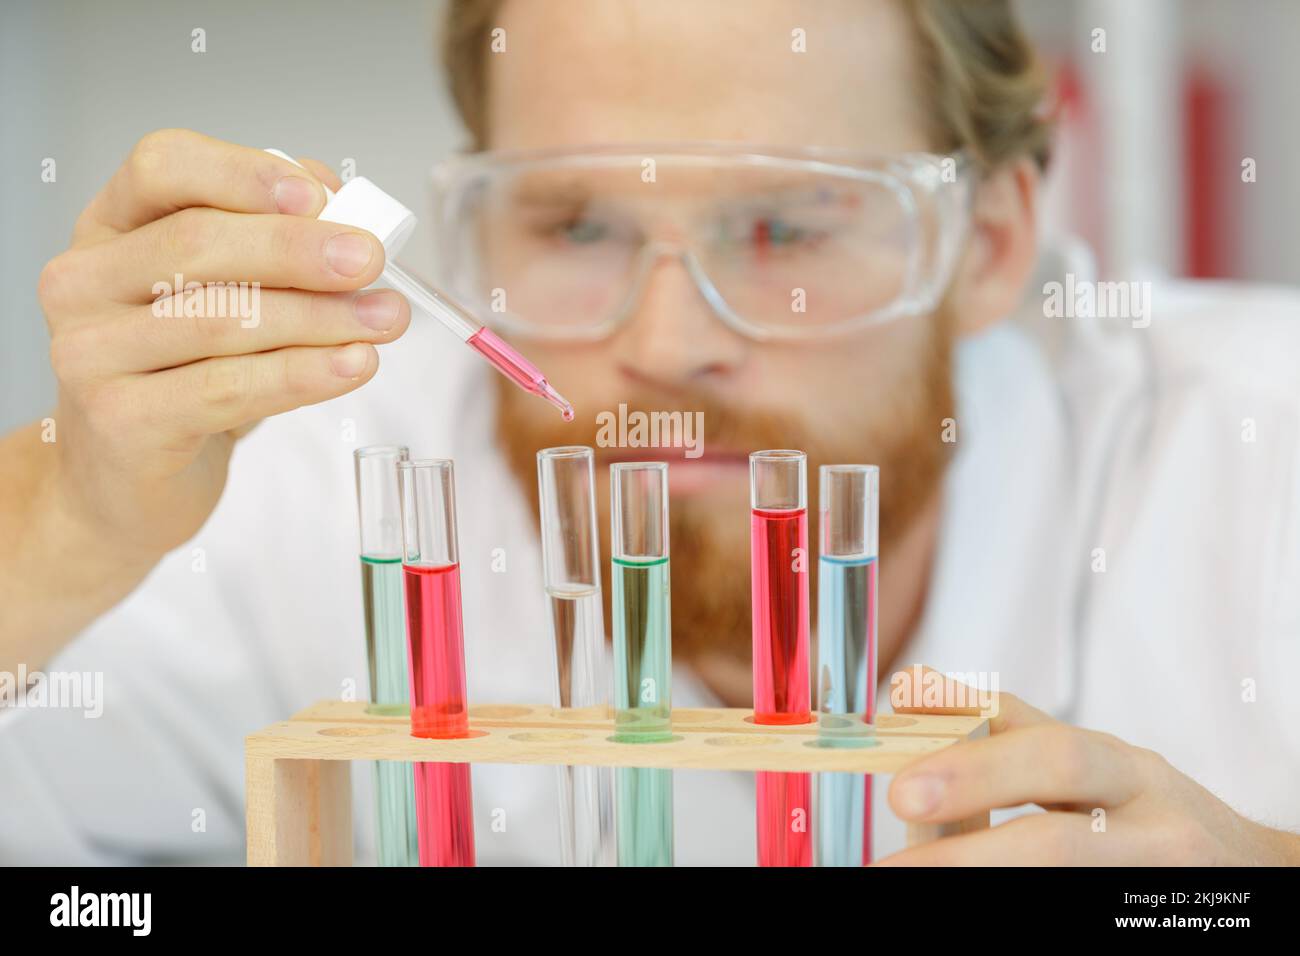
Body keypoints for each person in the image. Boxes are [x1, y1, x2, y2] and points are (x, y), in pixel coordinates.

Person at [1, 0, 1297, 865]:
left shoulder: (1257, 455)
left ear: (992, 244)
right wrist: (59, 527)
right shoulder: (320, 472)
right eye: (577, 227)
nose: (669, 343)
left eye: (787, 228)